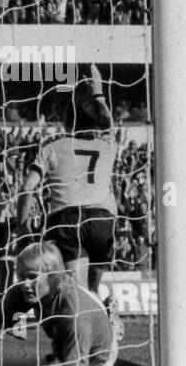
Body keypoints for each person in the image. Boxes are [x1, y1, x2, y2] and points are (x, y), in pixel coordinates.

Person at [16, 66, 118, 295]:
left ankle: (81, 322)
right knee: (93, 291)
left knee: (76, 293)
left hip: (67, 219)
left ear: (66, 123)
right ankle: (104, 311)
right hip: (103, 219)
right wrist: (98, 91)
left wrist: (22, 227)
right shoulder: (107, 146)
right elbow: (108, 124)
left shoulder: (52, 147)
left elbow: (27, 187)